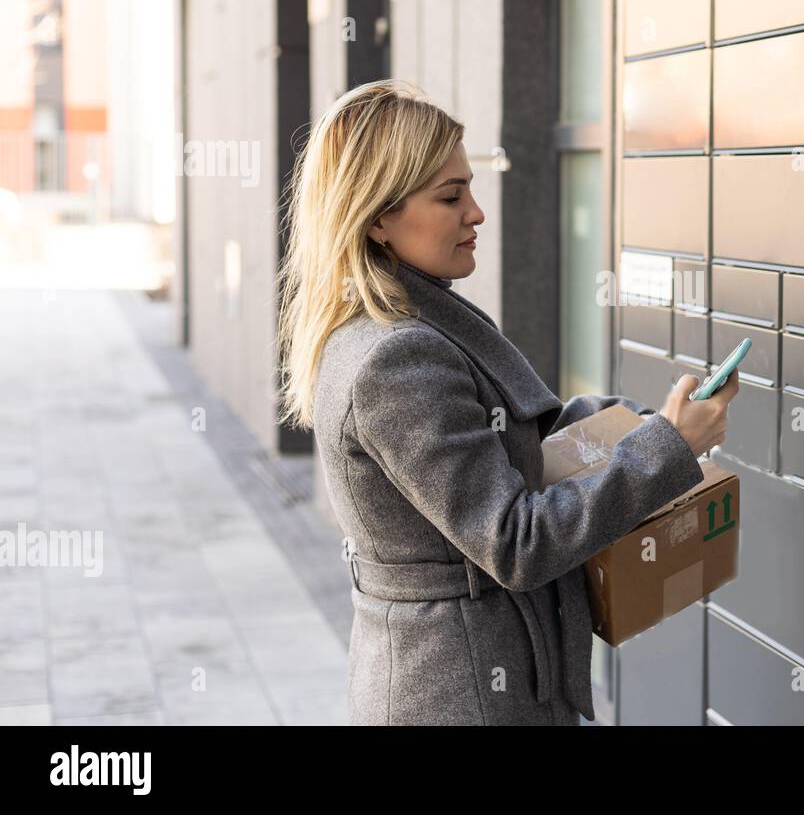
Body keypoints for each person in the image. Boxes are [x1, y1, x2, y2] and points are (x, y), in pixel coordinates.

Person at [275, 80, 738, 724]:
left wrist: (647, 425)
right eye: (450, 196)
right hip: (463, 696)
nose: (476, 213)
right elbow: (517, 543)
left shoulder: (408, 316)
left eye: (469, 187)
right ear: (376, 216)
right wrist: (670, 446)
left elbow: (517, 434)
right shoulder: (396, 357)